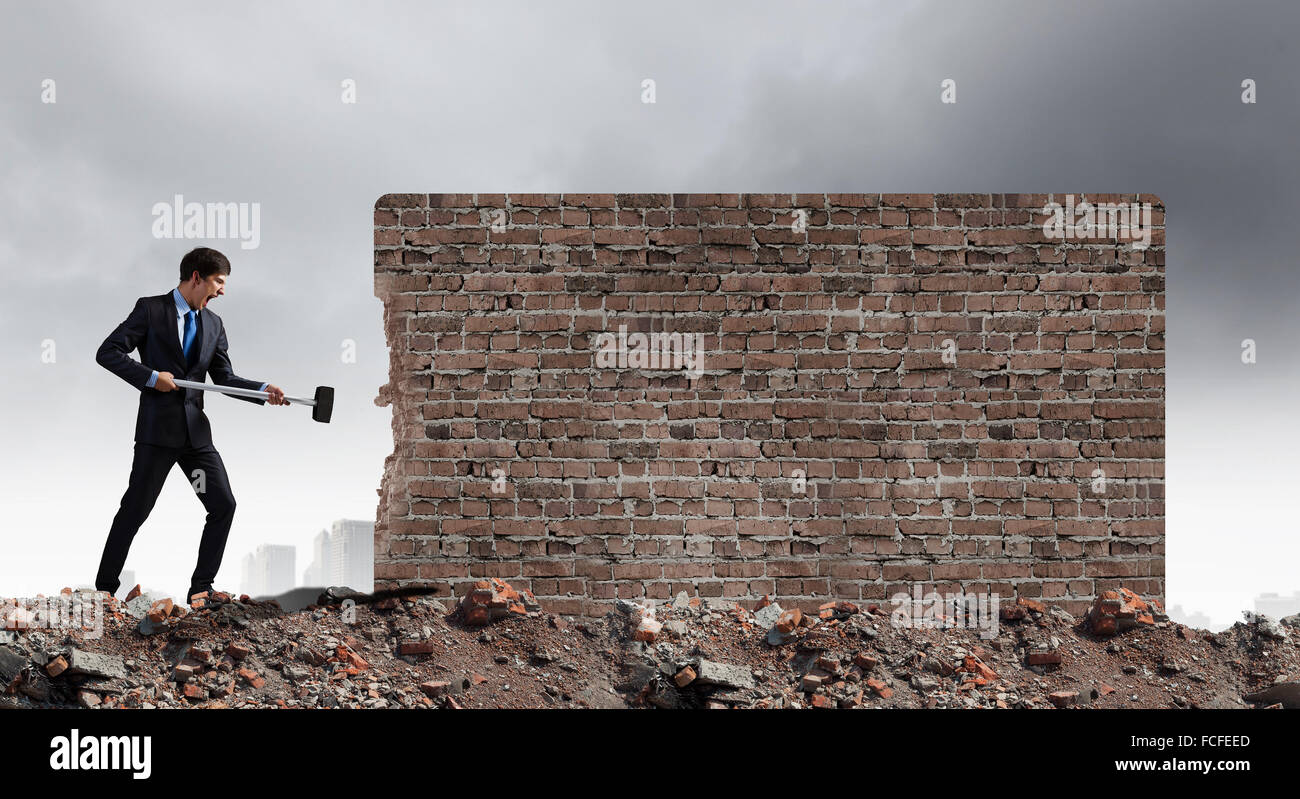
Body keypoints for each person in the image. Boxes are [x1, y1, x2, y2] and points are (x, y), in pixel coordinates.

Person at [93, 247, 287, 607]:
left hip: (196, 436)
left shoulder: (214, 324)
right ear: (196, 277)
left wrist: (263, 390)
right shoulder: (150, 310)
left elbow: (224, 378)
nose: (222, 291)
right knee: (136, 508)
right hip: (157, 434)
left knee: (223, 504)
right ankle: (104, 591)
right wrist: (152, 377)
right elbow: (108, 352)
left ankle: (202, 588)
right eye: (218, 281)